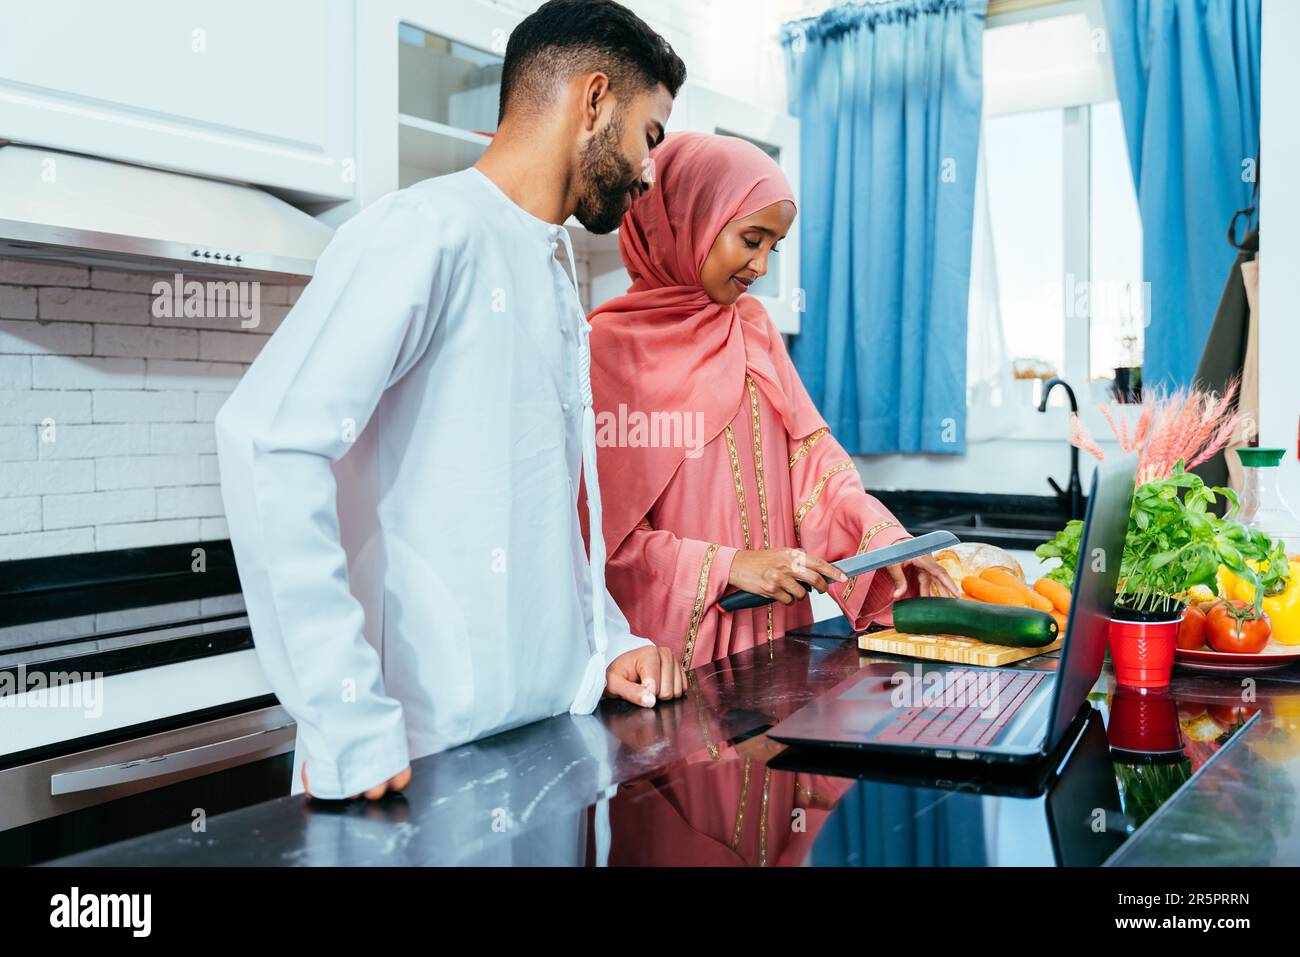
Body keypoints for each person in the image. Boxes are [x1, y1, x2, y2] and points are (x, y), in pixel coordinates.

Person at [214, 0, 689, 802]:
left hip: (539, 748)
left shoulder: (550, 267)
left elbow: (534, 510)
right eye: (651, 134)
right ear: (595, 98)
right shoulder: (423, 232)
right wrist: (346, 718)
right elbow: (268, 442)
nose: (650, 172)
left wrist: (608, 640)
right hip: (413, 760)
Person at [586, 133, 959, 669]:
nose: (760, 266)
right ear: (686, 220)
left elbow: (814, 470)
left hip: (777, 645)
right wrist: (727, 565)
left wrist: (886, 548)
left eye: (772, 247)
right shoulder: (608, 350)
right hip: (667, 664)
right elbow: (598, 541)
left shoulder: (754, 329)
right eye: (750, 239)